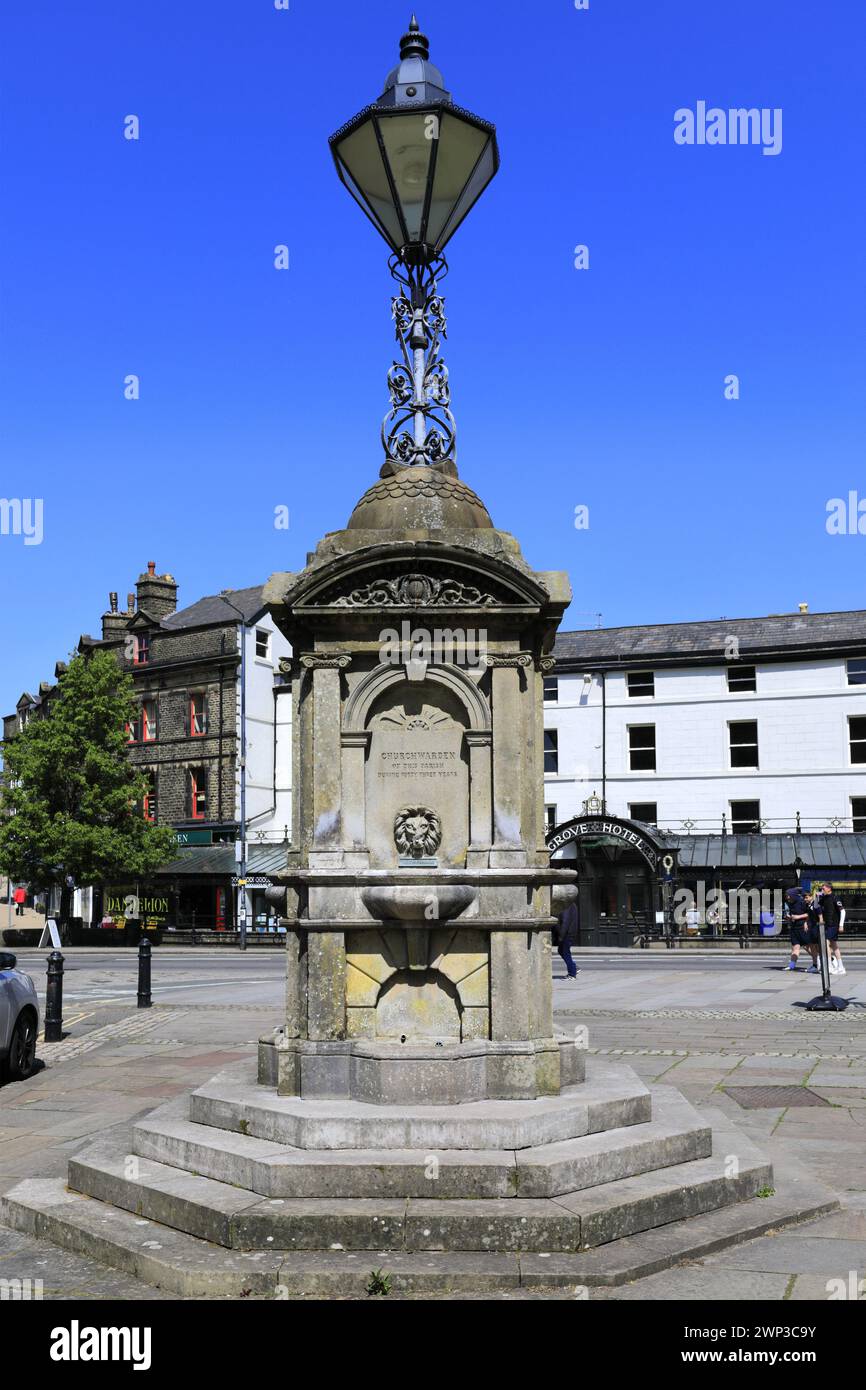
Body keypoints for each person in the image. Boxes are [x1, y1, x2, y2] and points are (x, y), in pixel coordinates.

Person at [819, 882, 846, 976]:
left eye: (823, 888)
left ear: (829, 888)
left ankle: (830, 966)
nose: (822, 890)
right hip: (828, 925)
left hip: (833, 924)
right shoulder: (824, 898)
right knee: (834, 945)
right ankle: (841, 967)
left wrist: (841, 925)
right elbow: (816, 907)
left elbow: (842, 911)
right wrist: (816, 897)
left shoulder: (835, 897)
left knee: (826, 943)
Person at [784, 885, 814, 971]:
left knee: (808, 947)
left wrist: (798, 917)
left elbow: (809, 914)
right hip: (794, 927)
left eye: (788, 895)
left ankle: (820, 960)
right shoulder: (790, 903)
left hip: (803, 927)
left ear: (793, 895)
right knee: (795, 947)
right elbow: (791, 914)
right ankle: (792, 965)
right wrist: (788, 917)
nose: (787, 897)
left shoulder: (802, 902)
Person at [553, 900, 580, 979]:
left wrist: (561, 935)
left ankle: (572, 974)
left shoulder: (567, 906)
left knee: (565, 952)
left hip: (567, 933)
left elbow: (565, 921)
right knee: (561, 950)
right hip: (568, 933)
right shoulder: (571, 904)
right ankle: (574, 967)